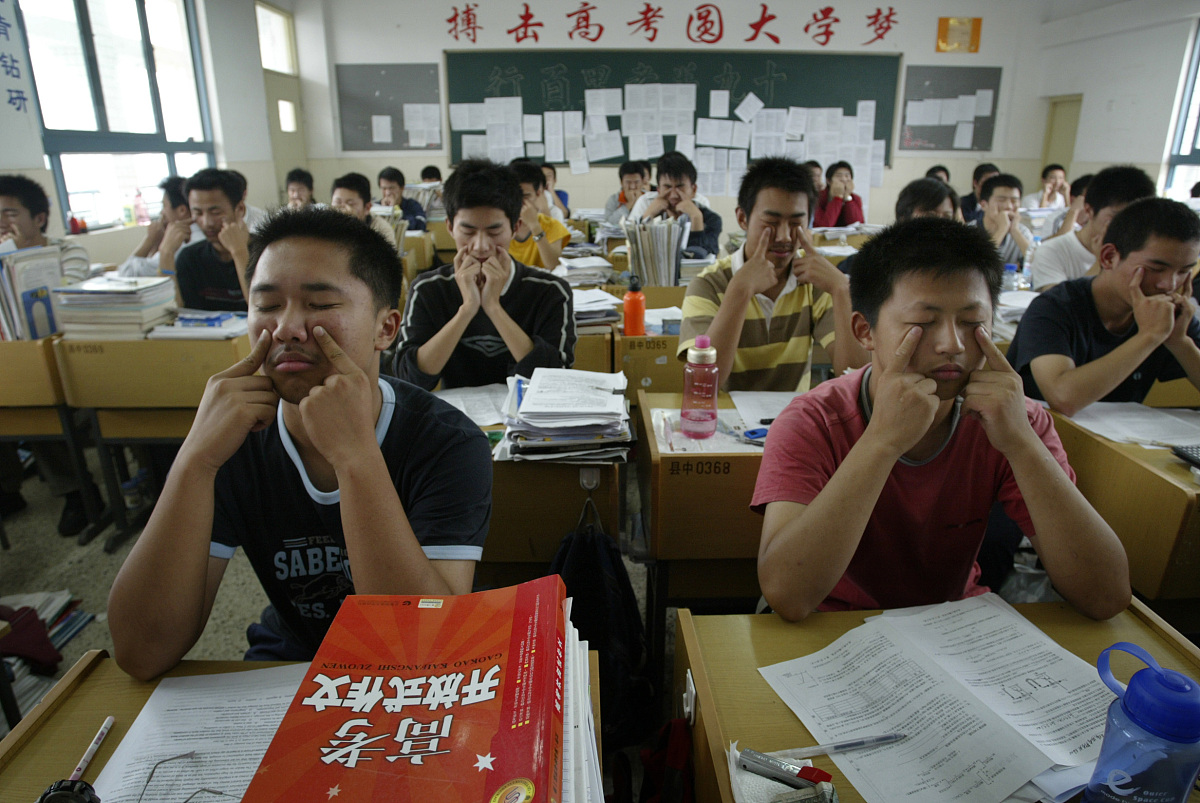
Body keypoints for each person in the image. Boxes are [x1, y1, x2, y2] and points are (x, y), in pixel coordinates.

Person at [107, 207, 492, 679]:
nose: (286, 328)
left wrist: (354, 456)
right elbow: (140, 652)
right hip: (290, 662)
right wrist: (194, 460)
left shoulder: (449, 444)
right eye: (266, 306)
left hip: (406, 686)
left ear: (385, 328)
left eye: (320, 304)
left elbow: (416, 657)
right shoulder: (233, 440)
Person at [753, 217, 1131, 622]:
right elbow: (788, 595)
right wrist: (882, 442)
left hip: (950, 625)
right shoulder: (812, 420)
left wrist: (1022, 443)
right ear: (865, 331)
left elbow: (1106, 596)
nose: (952, 344)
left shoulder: (1013, 420)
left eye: (972, 324)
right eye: (922, 323)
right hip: (830, 624)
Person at [677, 157, 865, 392]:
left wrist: (841, 289)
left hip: (795, 421)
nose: (785, 236)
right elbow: (702, 385)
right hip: (724, 421)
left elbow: (855, 376)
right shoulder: (707, 284)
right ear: (743, 218)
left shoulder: (815, 282)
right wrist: (740, 291)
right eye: (772, 222)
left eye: (796, 223)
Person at [1007, 197, 1200, 415]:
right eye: (1155, 268)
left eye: (1184, 271)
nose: (1169, 284)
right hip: (1044, 437)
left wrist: (1181, 343)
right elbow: (1063, 398)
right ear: (1109, 258)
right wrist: (1149, 337)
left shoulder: (1169, 315)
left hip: (1116, 442)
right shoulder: (1055, 307)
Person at [394, 159, 575, 390]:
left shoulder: (550, 291)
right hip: (454, 422)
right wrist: (467, 309)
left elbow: (554, 379)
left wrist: (493, 307)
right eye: (468, 231)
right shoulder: (429, 288)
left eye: (494, 231)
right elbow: (409, 378)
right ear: (450, 227)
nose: (480, 245)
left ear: (515, 226)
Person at [0, 174, 101, 535]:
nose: (2, 222)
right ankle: (8, 488)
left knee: (37, 401)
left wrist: (11, 256)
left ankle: (77, 491)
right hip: (11, 358)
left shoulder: (66, 251)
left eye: (9, 213)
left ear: (38, 218)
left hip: (59, 359)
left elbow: (60, 305)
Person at [1031, 166, 1155, 291]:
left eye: (1136, 219)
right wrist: (1101, 262)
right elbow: (1058, 307)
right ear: (1089, 210)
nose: (1127, 226)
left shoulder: (1139, 254)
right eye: (1117, 216)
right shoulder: (1052, 251)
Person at [837, 177, 959, 276]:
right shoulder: (877, 259)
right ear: (904, 217)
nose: (940, 224)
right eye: (930, 215)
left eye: (947, 217)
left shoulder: (957, 266)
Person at [173, 168, 251, 311]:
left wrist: (239, 252)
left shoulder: (268, 251)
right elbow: (182, 313)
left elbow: (260, 308)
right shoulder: (190, 258)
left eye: (215, 212)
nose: (207, 222)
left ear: (240, 209)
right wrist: (165, 253)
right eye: (198, 213)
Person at [629, 151, 722, 258]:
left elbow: (702, 258)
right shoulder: (648, 205)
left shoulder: (711, 219)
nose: (673, 195)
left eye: (680, 187)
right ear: (658, 190)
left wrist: (696, 219)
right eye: (667, 187)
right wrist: (647, 217)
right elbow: (633, 251)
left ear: (693, 189)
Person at [118, 176, 203, 277]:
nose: (162, 212)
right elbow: (151, 266)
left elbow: (127, 274)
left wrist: (149, 240)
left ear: (182, 210)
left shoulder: (181, 242)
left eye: (164, 206)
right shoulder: (202, 233)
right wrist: (158, 244)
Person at [505, 160, 571, 269]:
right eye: (514, 195)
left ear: (538, 193)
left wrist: (535, 226)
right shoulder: (500, 224)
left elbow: (553, 266)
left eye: (526, 196)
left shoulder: (552, 225)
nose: (520, 202)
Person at [970, 174, 1031, 266]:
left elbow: (1039, 264)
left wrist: (1015, 231)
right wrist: (1002, 229)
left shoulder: (1022, 232)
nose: (1009, 206)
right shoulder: (968, 231)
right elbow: (976, 265)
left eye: (1014, 201)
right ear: (983, 205)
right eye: (1001, 200)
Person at [330, 172, 398, 250]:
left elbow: (386, 260)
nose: (343, 210)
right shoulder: (326, 227)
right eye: (338, 203)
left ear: (367, 208)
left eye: (350, 204)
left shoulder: (381, 230)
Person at [812, 161, 864, 228]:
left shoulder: (855, 198)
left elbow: (858, 225)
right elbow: (825, 225)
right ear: (829, 181)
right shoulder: (818, 197)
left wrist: (847, 197)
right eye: (839, 176)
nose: (844, 179)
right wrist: (837, 198)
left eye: (847, 176)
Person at [1044, 173, 1093, 241]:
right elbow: (1053, 244)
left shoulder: (1100, 220)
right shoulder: (1055, 218)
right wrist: (1074, 212)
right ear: (1073, 199)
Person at [377, 167, 427, 232]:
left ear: (402, 188)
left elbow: (421, 226)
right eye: (384, 188)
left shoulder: (413, 205)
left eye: (391, 188)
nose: (387, 193)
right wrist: (384, 211)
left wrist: (395, 210)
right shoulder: (376, 207)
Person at [605, 161, 646, 225]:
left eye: (636, 182)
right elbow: (609, 223)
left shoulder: (649, 198)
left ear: (643, 181)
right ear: (621, 182)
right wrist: (629, 204)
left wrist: (638, 202)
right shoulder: (613, 199)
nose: (632, 187)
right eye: (628, 182)